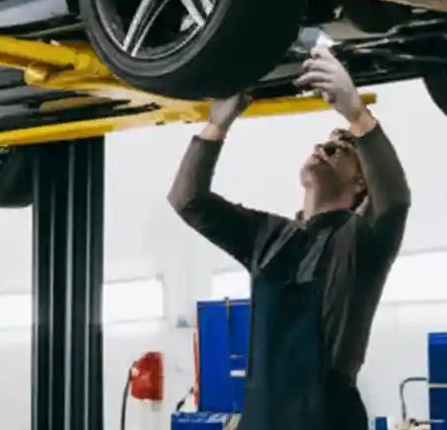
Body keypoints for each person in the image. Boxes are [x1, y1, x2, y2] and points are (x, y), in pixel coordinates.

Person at [168, 47, 412, 429]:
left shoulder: (361, 240)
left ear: (361, 182)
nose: (322, 150)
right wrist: (217, 124)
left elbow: (394, 201)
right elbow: (187, 199)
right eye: (319, 146)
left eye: (337, 150)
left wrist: (356, 113)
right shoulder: (269, 237)